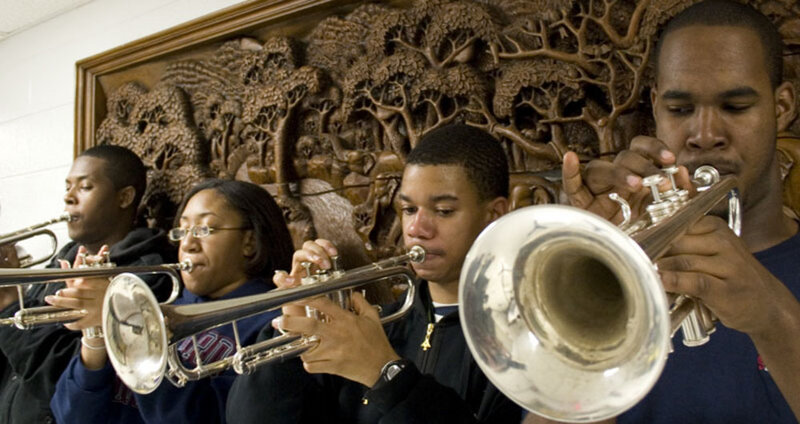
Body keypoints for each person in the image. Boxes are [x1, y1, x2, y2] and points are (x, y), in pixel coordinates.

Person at [560, 1, 800, 422]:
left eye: (735, 107)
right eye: (680, 110)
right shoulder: (625, 257)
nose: (705, 135)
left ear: (782, 107)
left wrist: (772, 317)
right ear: (655, 107)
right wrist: (594, 264)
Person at [226, 123, 522, 423]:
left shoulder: (525, 341)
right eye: (408, 210)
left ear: (494, 215)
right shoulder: (376, 326)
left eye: (443, 211)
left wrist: (384, 372)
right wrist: (289, 338)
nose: (416, 229)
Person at [48, 178, 295, 423]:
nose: (187, 244)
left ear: (249, 242)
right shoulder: (158, 305)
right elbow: (72, 417)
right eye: (183, 230)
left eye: (204, 229)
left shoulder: (272, 325)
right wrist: (96, 337)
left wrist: (137, 328)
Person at [0, 144, 177, 423]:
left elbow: (61, 374)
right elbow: (17, 353)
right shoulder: (64, 258)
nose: (69, 197)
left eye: (85, 187)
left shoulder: (145, 275)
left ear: (125, 197)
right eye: (68, 186)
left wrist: (9, 302)